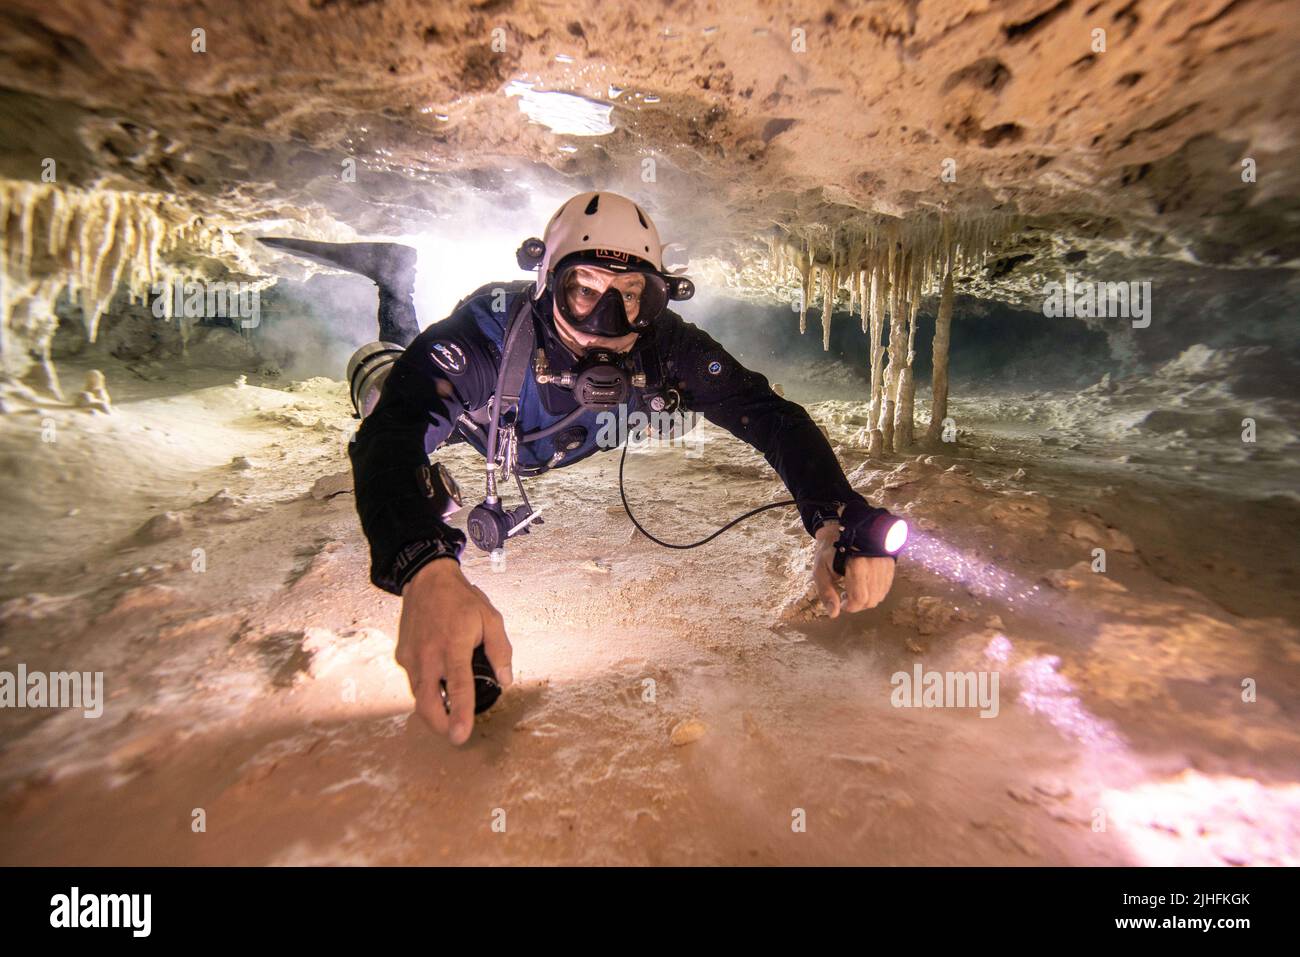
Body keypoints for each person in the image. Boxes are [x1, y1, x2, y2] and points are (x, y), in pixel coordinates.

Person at [259, 191, 902, 746]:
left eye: (632, 297)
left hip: (541, 441)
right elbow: (392, 437)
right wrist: (424, 569)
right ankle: (393, 280)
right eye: (584, 291)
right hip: (475, 427)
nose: (607, 323)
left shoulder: (668, 348)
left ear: (659, 300)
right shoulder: (485, 334)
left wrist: (836, 517)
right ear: (545, 283)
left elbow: (769, 417)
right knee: (381, 391)